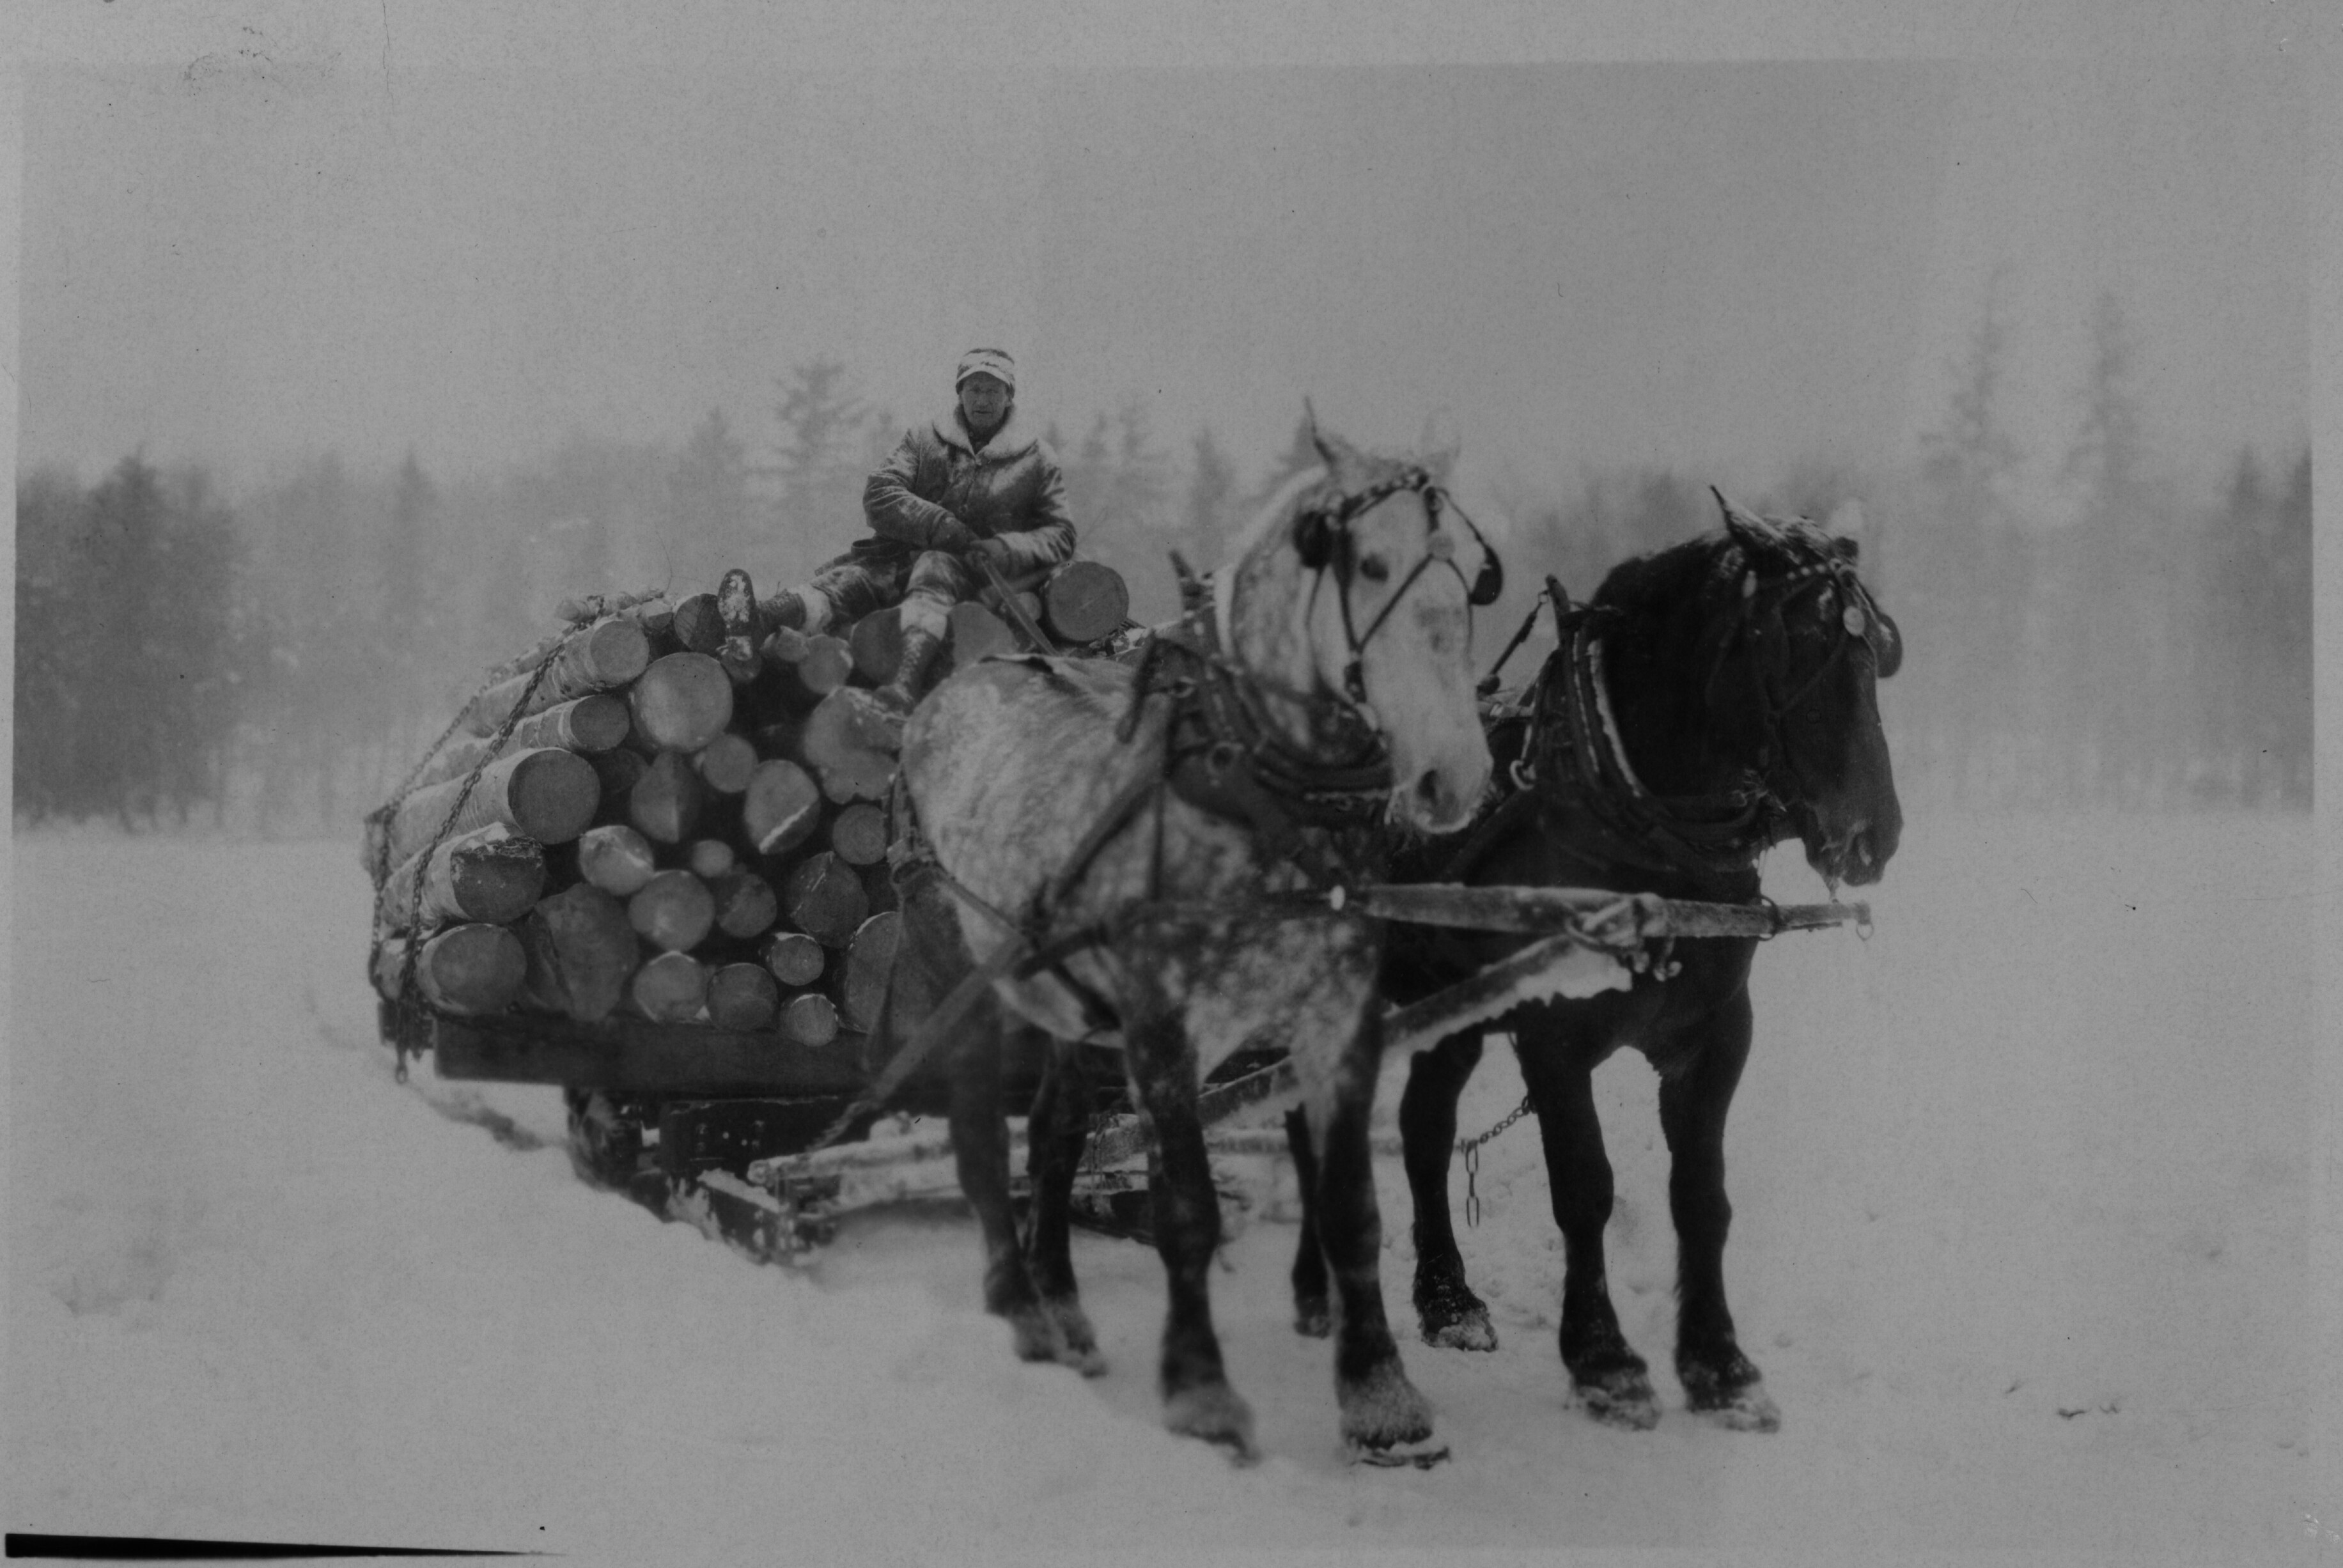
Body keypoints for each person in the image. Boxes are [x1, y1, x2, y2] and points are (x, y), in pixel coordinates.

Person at [752, 347, 1076, 719]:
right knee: (850, 579)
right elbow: (880, 491)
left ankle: (905, 685)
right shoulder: (925, 440)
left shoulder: (1036, 457)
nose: (982, 400)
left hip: (979, 581)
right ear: (960, 393)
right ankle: (759, 620)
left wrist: (1004, 549)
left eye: (993, 391)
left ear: (1009, 396)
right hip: (899, 560)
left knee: (935, 568)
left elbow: (1061, 534)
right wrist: (936, 523)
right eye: (974, 389)